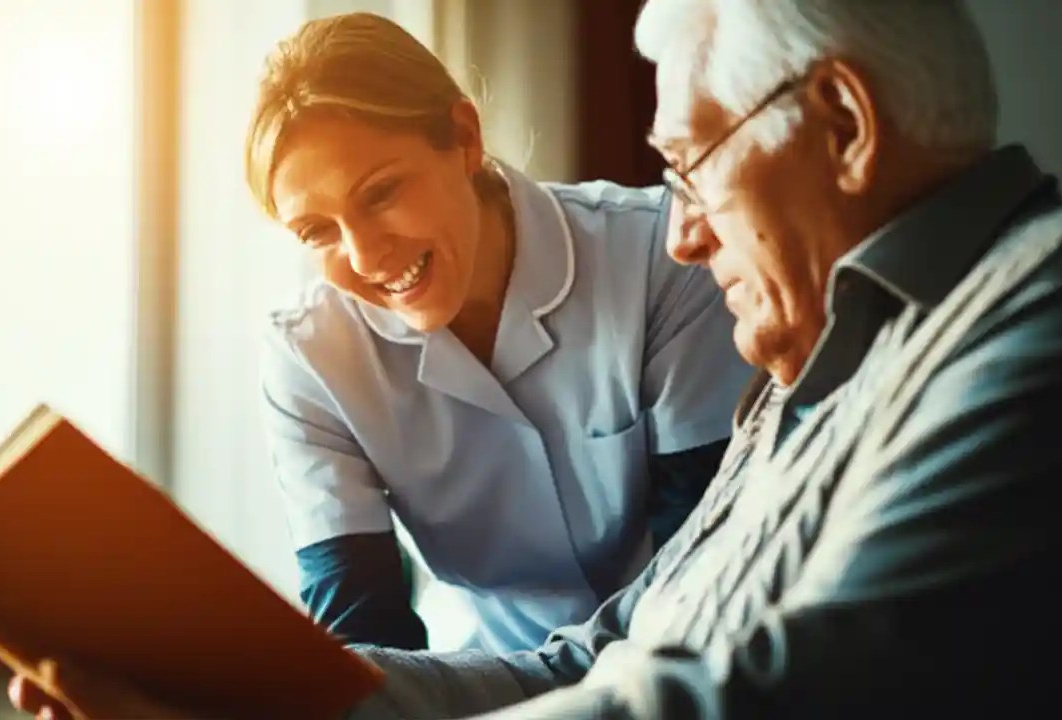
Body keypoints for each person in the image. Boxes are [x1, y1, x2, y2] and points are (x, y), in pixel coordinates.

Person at [9, 0, 1062, 717]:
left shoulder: (1061, 301)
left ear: (841, 124)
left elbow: (772, 695)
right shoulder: (794, 396)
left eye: (693, 163)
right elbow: (590, 657)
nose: (682, 232)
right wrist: (244, 691)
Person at [247, 12, 751, 654]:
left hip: (677, 667)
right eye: (318, 231)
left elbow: (701, 572)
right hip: (480, 683)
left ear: (464, 137)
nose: (366, 256)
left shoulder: (663, 256)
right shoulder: (311, 359)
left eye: (381, 194)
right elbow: (360, 629)